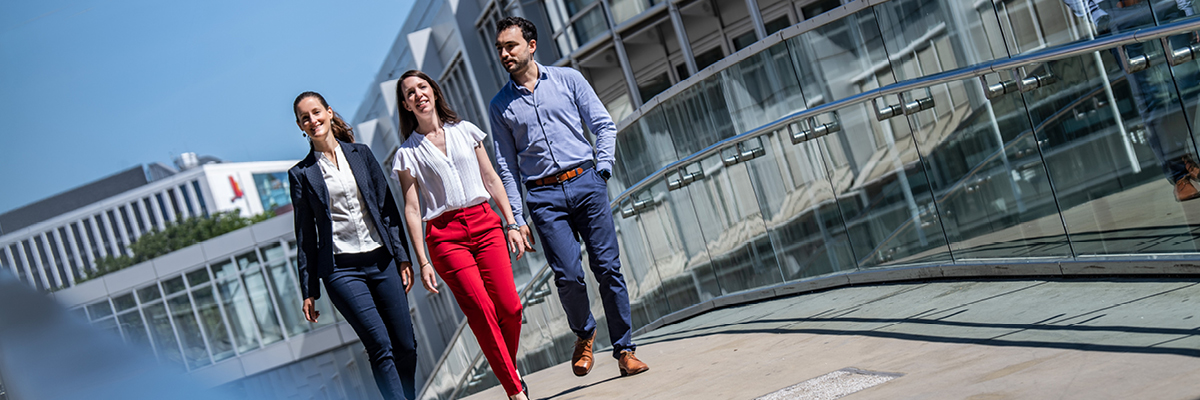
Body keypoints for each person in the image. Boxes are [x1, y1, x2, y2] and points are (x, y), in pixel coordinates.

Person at [488, 16, 650, 378]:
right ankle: (585, 333)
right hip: (544, 198)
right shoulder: (500, 106)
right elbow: (505, 167)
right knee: (569, 277)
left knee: (608, 268)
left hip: (586, 183)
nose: (504, 53)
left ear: (531, 46)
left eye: (510, 46)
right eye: (499, 48)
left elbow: (603, 125)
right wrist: (515, 219)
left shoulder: (568, 80)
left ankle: (625, 349)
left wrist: (602, 170)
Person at [391, 70, 530, 400]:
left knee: (510, 308)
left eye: (422, 87)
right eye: (410, 93)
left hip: (486, 223)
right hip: (444, 236)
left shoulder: (466, 130)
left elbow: (491, 179)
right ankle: (515, 391)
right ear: (406, 105)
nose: (418, 95)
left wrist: (511, 222)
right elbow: (412, 208)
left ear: (434, 92)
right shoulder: (407, 154)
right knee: (481, 310)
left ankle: (508, 370)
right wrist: (422, 260)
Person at [288, 92, 419, 400]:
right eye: (305, 117)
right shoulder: (301, 174)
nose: (313, 120)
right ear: (300, 125)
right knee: (380, 346)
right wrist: (309, 290)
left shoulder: (361, 154)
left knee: (405, 345)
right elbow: (306, 235)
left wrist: (402, 257)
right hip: (341, 271)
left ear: (329, 113)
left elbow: (387, 209)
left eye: (316, 112)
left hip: (382, 261)